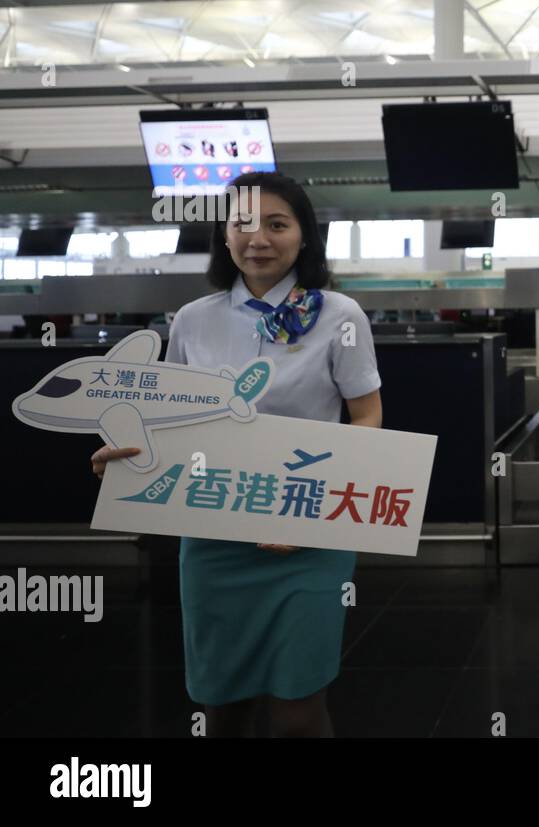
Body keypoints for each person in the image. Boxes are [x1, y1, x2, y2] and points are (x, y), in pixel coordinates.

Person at [90, 172, 382, 737]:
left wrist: (319, 514)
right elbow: (171, 420)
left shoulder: (340, 316)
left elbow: (366, 415)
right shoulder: (193, 319)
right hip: (214, 531)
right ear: (224, 236)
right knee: (223, 706)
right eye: (243, 224)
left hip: (306, 532)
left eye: (277, 224)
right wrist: (126, 459)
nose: (259, 238)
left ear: (304, 236)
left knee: (298, 708)